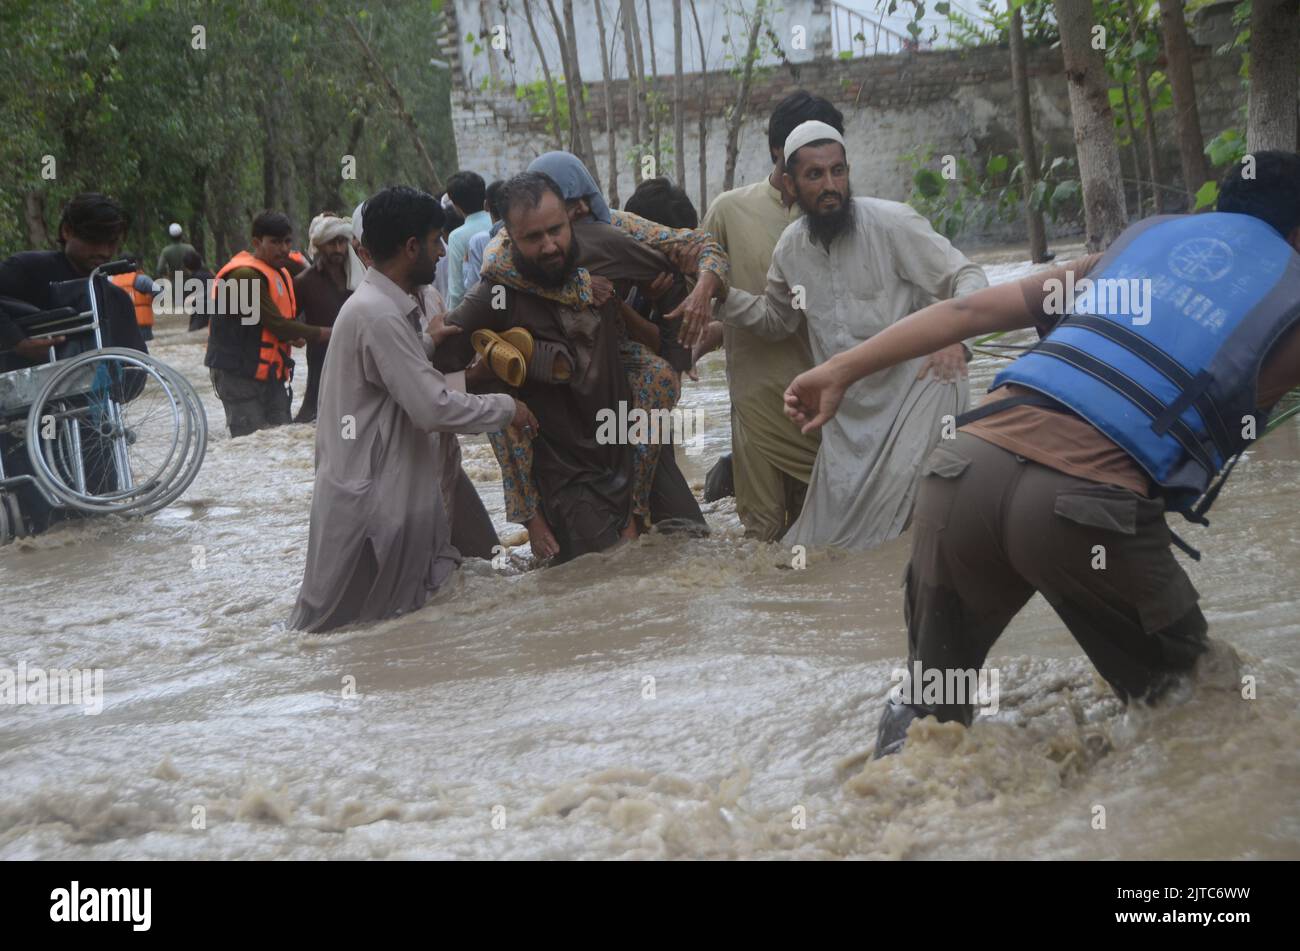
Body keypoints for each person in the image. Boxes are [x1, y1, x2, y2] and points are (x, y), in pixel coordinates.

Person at [782, 151, 1300, 756]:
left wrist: (838, 369)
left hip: (961, 473)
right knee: (1202, 712)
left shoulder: (1127, 257)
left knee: (930, 714)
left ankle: (876, 831)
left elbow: (966, 311)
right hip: (1083, 506)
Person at [703, 120, 987, 551]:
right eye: (815, 175)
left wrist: (956, 338)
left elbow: (966, 276)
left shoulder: (892, 224)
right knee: (814, 544)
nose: (830, 185)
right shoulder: (791, 250)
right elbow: (777, 320)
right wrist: (719, 298)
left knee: (898, 523)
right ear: (789, 185)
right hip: (848, 414)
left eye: (838, 171)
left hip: (920, 391)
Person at [290, 186, 535, 633]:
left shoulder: (379, 307)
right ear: (409, 248)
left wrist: (428, 341)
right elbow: (431, 407)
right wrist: (507, 408)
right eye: (436, 241)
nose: (443, 252)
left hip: (379, 488)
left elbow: (398, 373)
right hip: (373, 500)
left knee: (395, 624)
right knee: (350, 627)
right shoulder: (378, 314)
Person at [433, 172, 708, 562]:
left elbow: (672, 343)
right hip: (567, 476)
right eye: (533, 238)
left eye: (556, 230)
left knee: (693, 549)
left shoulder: (600, 258)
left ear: (570, 219)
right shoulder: (496, 294)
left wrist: (658, 300)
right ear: (509, 237)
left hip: (626, 453)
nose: (549, 246)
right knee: (607, 580)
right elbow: (440, 377)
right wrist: (497, 372)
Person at [696, 91, 846, 540]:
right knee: (761, 533)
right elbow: (702, 291)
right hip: (757, 400)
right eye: (811, 164)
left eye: (834, 164)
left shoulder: (839, 216)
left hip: (824, 406)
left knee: (821, 532)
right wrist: (707, 335)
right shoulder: (728, 210)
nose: (826, 179)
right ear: (782, 155)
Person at [0, 193, 147, 533]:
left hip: (92, 425)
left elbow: (136, 370)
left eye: (112, 243)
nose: (105, 252)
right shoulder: (26, 269)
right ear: (67, 232)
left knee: (101, 522)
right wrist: (19, 342)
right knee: (39, 523)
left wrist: (109, 382)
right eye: (95, 240)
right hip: (23, 418)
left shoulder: (115, 298)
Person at [204, 211, 330, 438]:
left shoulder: (280, 269)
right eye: (275, 242)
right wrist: (329, 333)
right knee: (250, 443)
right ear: (256, 242)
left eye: (287, 241)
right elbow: (278, 326)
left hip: (270, 373)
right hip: (238, 374)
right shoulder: (244, 275)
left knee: (282, 441)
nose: (283, 248)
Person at [293, 212, 366, 423]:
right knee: (315, 415)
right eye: (331, 243)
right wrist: (314, 334)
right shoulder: (304, 281)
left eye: (342, 242)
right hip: (320, 359)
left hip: (357, 357)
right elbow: (289, 324)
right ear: (319, 245)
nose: (338, 249)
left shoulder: (359, 279)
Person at [444, 171, 491, 309]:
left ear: (455, 204)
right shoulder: (499, 222)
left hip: (477, 311)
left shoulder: (457, 237)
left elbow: (457, 291)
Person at [463, 179, 505, 294]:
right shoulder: (522, 234)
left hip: (494, 305)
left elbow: (473, 286)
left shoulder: (479, 241)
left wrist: (466, 264)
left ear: (486, 205)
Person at [183, 250, 215, 332]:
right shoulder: (210, 275)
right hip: (214, 315)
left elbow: (188, 302)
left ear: (186, 267)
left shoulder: (192, 280)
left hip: (200, 316)